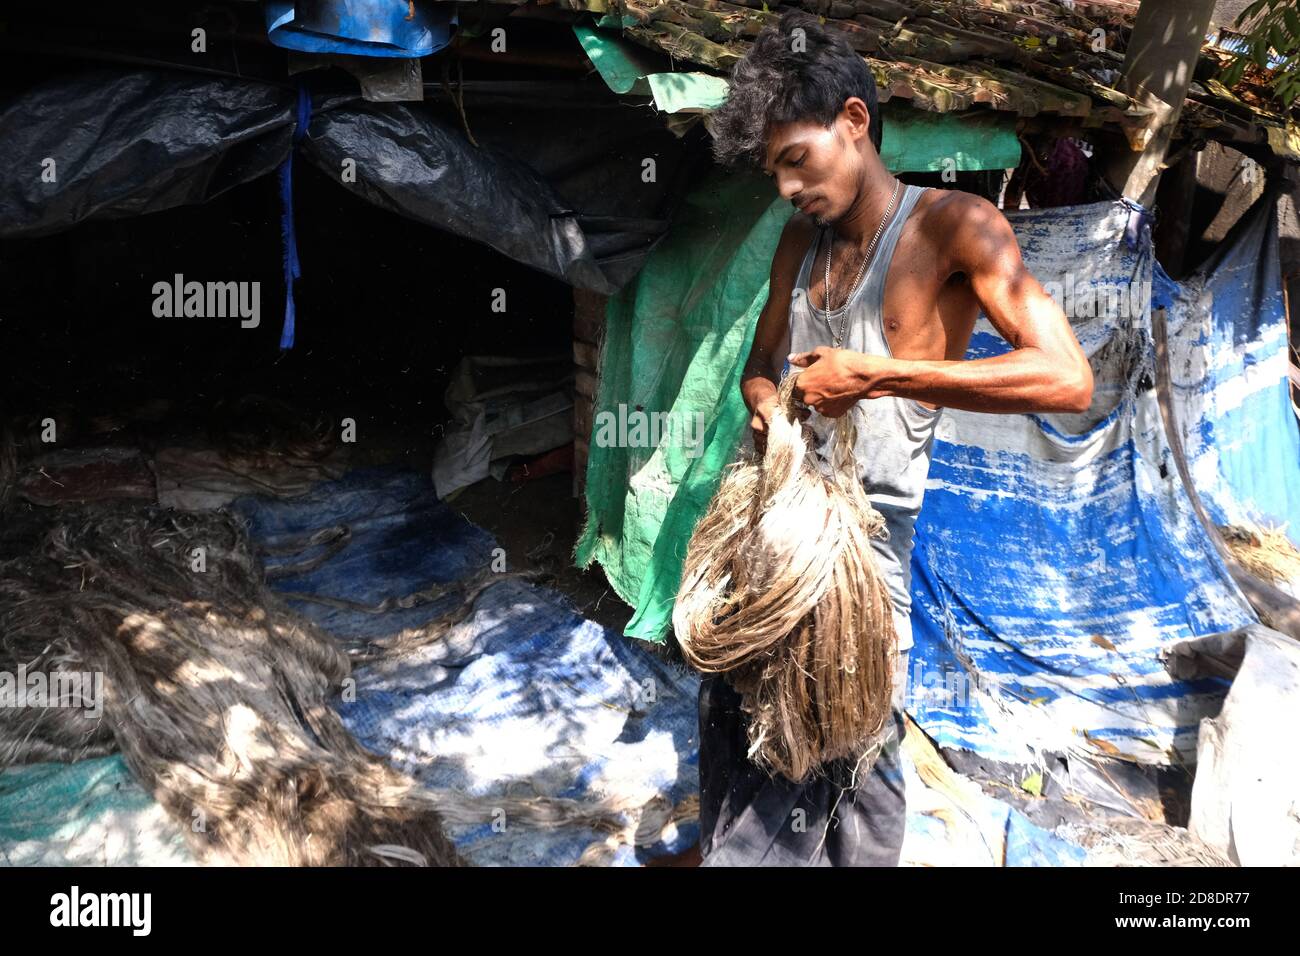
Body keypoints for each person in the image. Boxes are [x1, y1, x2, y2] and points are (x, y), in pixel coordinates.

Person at [694, 11, 1094, 866]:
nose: (786, 189)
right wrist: (768, 404)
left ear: (853, 122)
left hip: (862, 576)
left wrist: (879, 375)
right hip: (775, 547)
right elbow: (760, 363)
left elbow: (1066, 379)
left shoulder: (957, 226)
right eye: (773, 172)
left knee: (835, 777)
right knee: (749, 759)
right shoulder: (800, 239)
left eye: (795, 159)